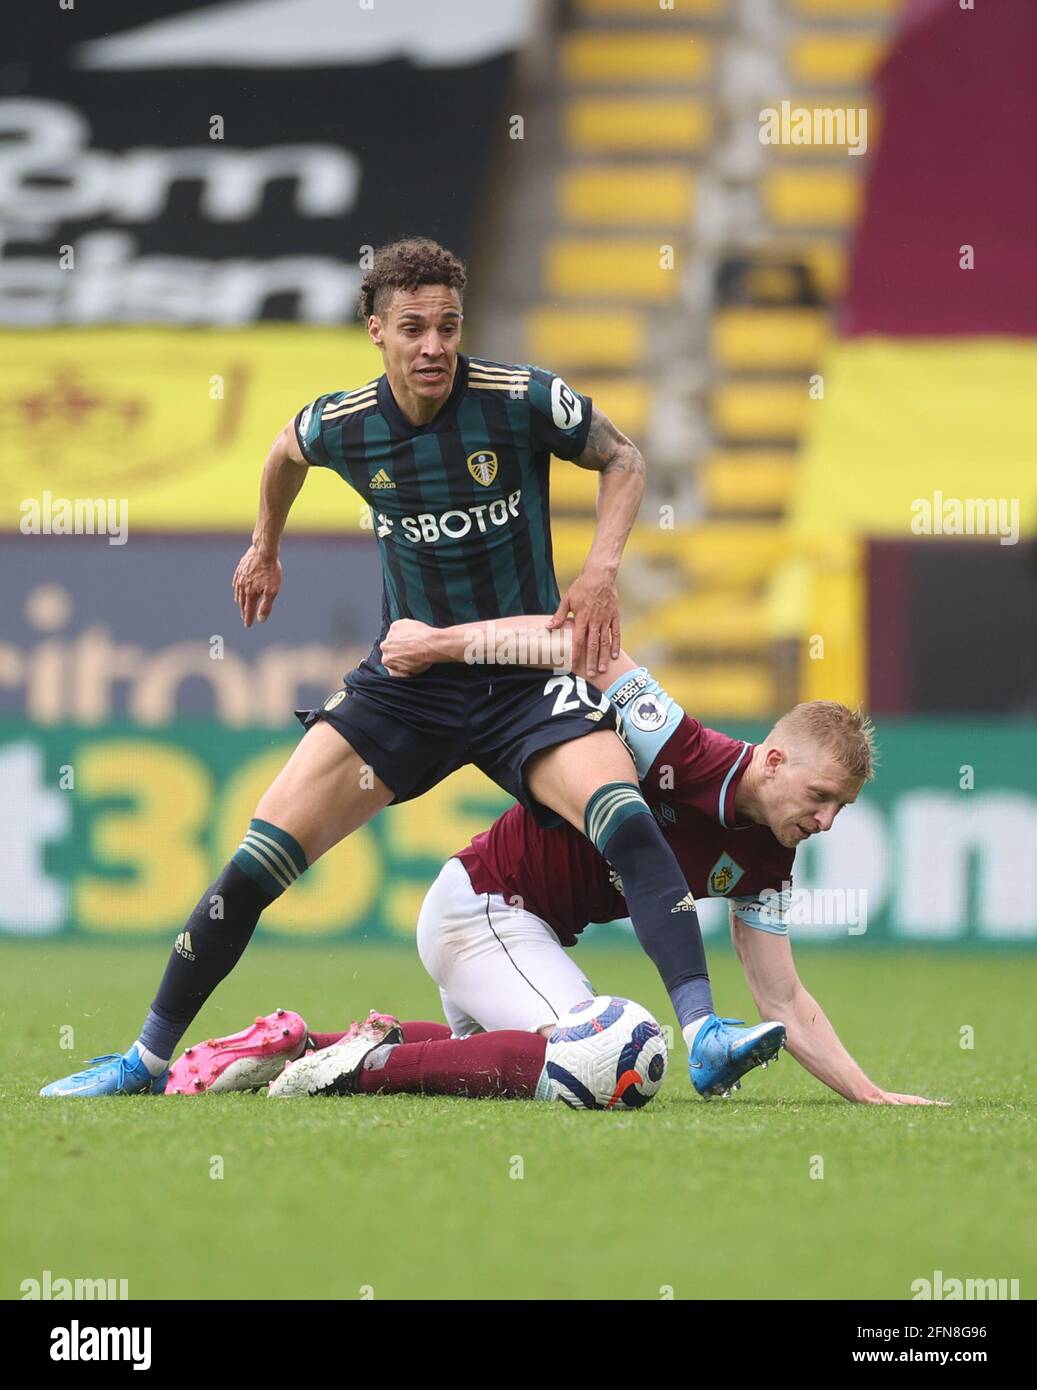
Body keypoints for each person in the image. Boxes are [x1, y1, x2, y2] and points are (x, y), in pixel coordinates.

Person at [41, 239, 763, 1099]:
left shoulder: (520, 399)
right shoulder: (342, 423)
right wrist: (263, 547)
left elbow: (624, 457)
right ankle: (146, 1060)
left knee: (625, 816)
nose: (433, 346)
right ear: (376, 330)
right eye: (413, 328)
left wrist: (601, 567)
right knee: (257, 860)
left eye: (447, 326)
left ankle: (705, 1032)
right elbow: (281, 453)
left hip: (527, 677)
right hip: (407, 685)